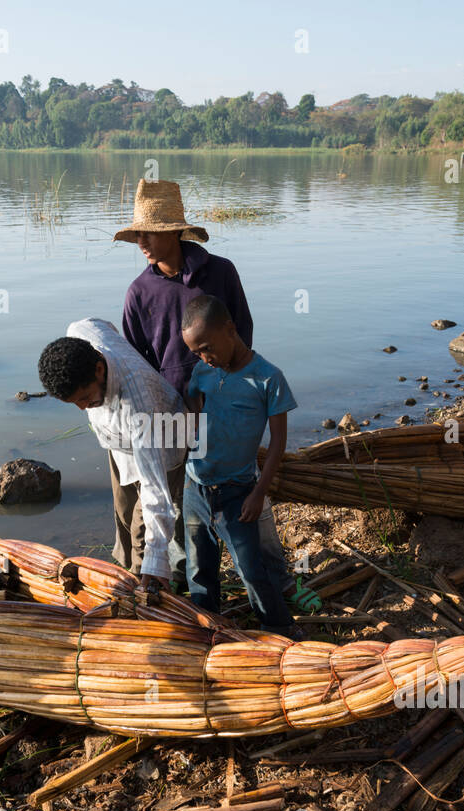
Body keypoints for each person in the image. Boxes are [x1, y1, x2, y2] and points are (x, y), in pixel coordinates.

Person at [114, 177, 297, 600]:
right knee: (180, 496)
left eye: (148, 233)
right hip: (173, 412)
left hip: (228, 405)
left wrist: (237, 392)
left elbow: (243, 332)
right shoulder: (139, 293)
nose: (141, 241)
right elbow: (137, 362)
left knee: (247, 489)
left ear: (172, 231)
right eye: (137, 234)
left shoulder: (220, 273)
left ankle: (276, 578)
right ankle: (186, 581)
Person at [179, 295, 301, 637]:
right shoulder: (204, 371)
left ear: (230, 329)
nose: (204, 357)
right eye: (196, 353)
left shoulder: (268, 379)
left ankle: (280, 629)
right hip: (195, 485)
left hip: (237, 491)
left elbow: (277, 442)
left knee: (250, 567)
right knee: (199, 566)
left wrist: (259, 493)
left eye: (207, 347)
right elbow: (192, 400)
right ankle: (207, 626)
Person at [38, 319, 186, 590]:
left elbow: (155, 490)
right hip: (118, 441)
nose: (83, 408)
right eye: (74, 403)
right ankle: (131, 574)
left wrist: (156, 563)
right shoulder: (82, 334)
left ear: (98, 369)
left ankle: (150, 585)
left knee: (145, 528)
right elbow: (93, 323)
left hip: (165, 438)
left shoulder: (138, 402)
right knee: (124, 513)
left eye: (85, 397)